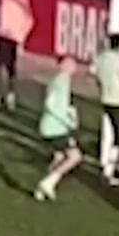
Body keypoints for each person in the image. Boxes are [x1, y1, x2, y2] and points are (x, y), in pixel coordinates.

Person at [32, 56, 84, 201]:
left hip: (49, 127)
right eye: (71, 63)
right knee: (75, 157)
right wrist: (67, 120)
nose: (74, 67)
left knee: (59, 157)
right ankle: (48, 183)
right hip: (56, 128)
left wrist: (69, 111)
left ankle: (42, 190)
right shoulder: (61, 80)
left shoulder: (61, 80)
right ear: (64, 65)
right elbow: (51, 104)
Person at [92, 33, 119, 183]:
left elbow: (94, 76)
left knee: (112, 134)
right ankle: (110, 171)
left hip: (106, 100)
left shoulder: (100, 59)